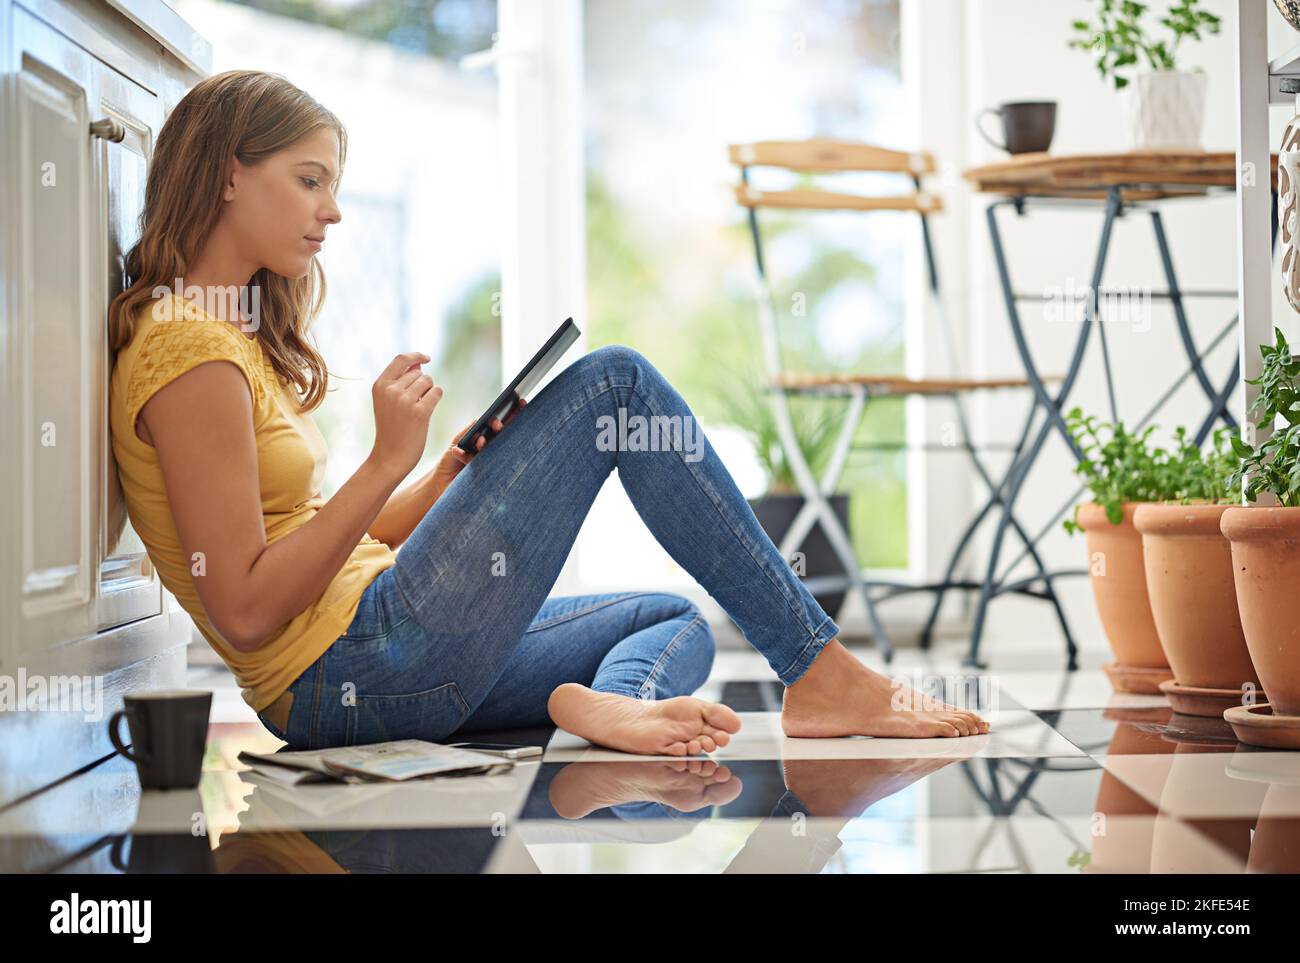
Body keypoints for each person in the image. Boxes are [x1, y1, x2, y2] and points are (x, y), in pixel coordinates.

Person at [108, 70, 988, 755]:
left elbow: (319, 542)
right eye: (309, 181)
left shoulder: (226, 336)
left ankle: (606, 706)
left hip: (379, 650)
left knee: (668, 618)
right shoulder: (189, 354)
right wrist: (382, 461)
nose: (331, 210)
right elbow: (250, 610)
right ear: (229, 176)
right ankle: (822, 671)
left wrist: (439, 472)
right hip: (349, 668)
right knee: (616, 385)